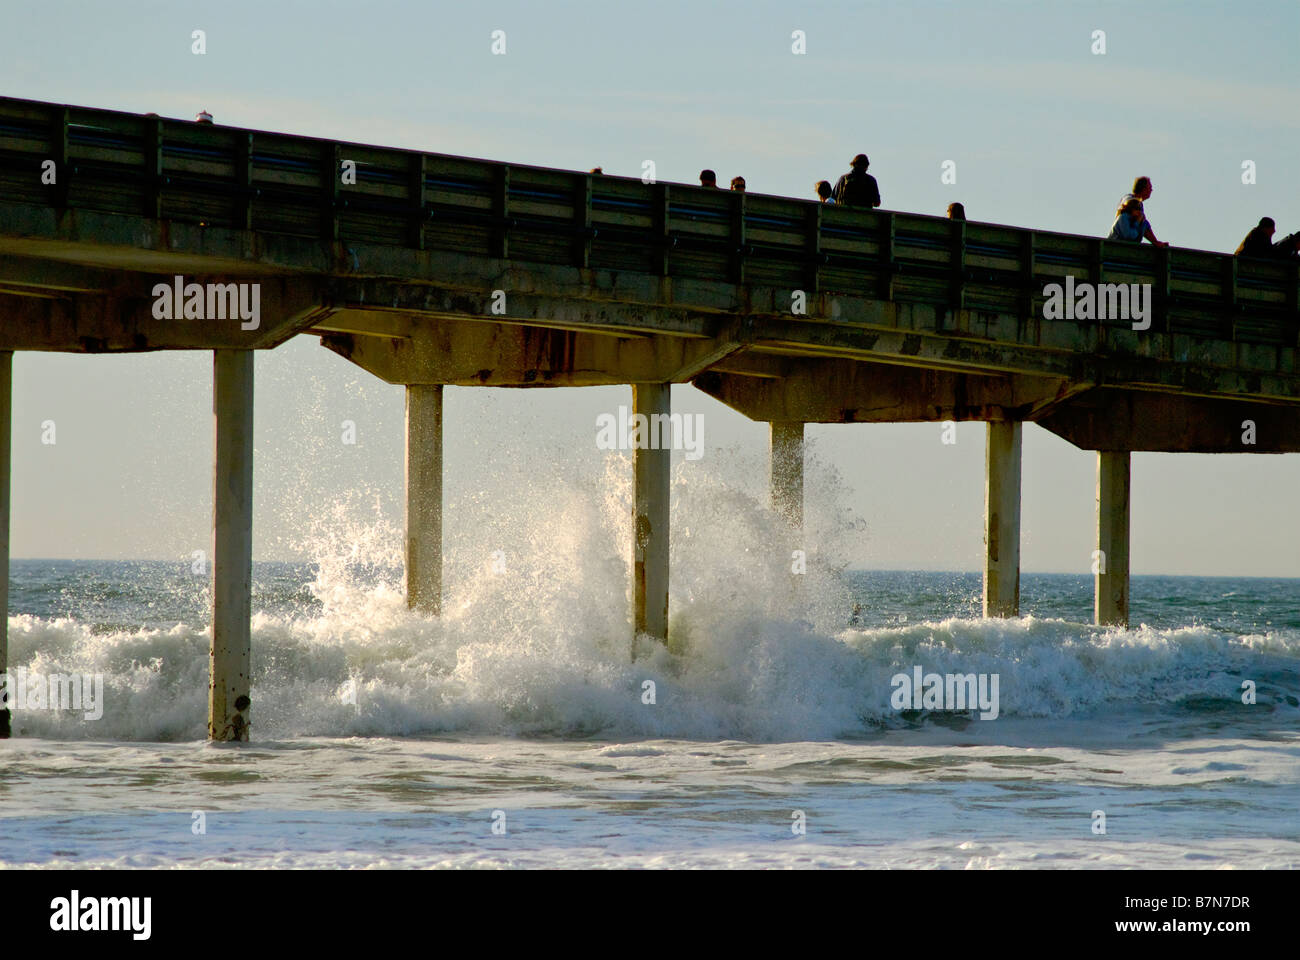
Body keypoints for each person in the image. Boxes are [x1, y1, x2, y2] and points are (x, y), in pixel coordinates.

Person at [1118, 176, 1167, 245]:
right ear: (1143, 189)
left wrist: (1155, 242)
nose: (1151, 190)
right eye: (1150, 188)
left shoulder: (1138, 204)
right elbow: (1126, 207)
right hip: (1119, 242)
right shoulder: (1130, 200)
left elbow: (1144, 225)